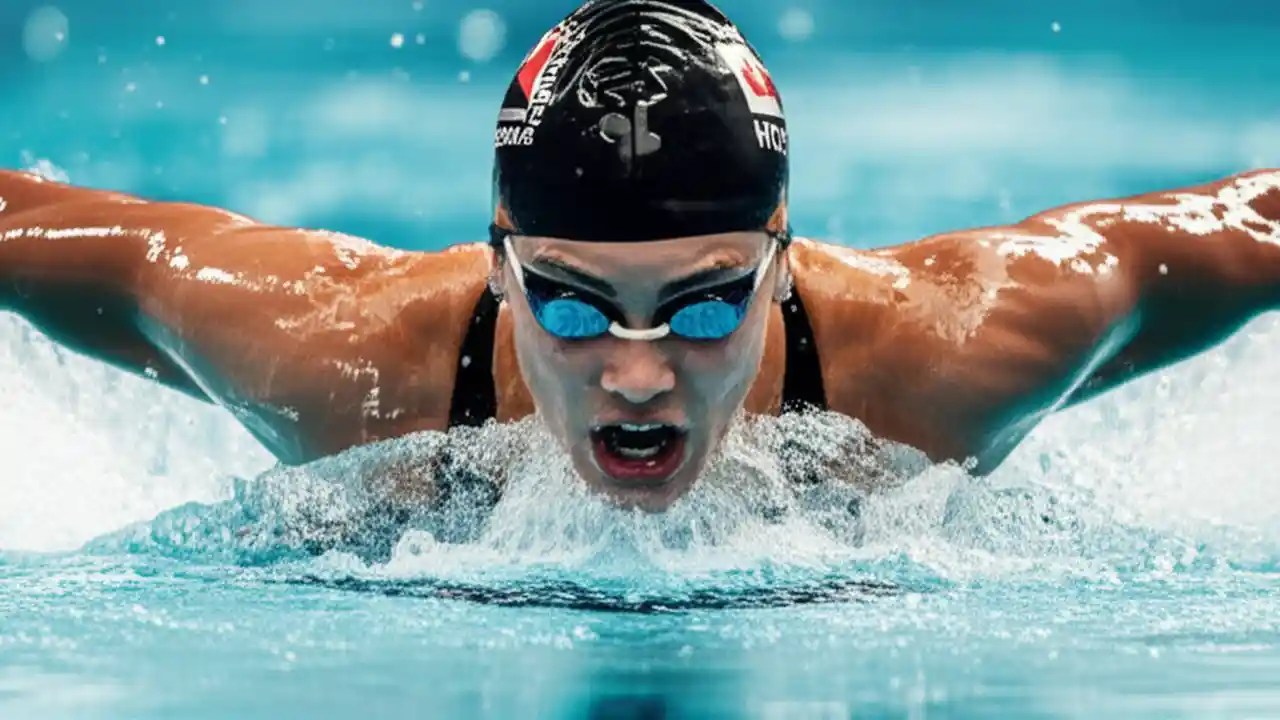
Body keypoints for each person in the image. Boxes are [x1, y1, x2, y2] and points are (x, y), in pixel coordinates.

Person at [0, 0, 1277, 513]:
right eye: (568, 306)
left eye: (705, 307)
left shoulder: (943, 357)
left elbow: (1240, 228)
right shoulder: (345, 362)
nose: (634, 373)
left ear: (781, 264)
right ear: (499, 267)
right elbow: (88, 252)